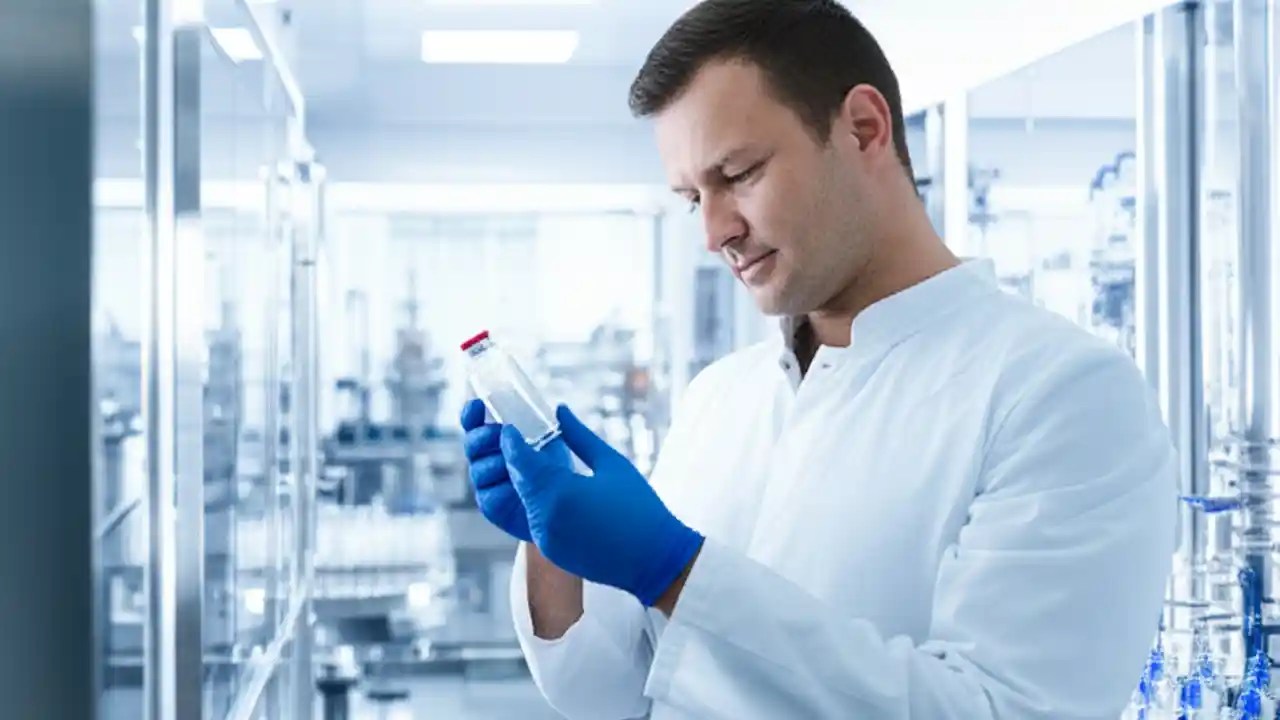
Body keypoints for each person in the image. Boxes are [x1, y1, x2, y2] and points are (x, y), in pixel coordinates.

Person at [460, 1, 1177, 717]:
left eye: (738, 174)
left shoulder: (1063, 394)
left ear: (863, 129)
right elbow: (621, 696)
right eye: (692, 198)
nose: (714, 232)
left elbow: (999, 710)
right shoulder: (721, 398)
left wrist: (673, 570)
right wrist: (558, 547)